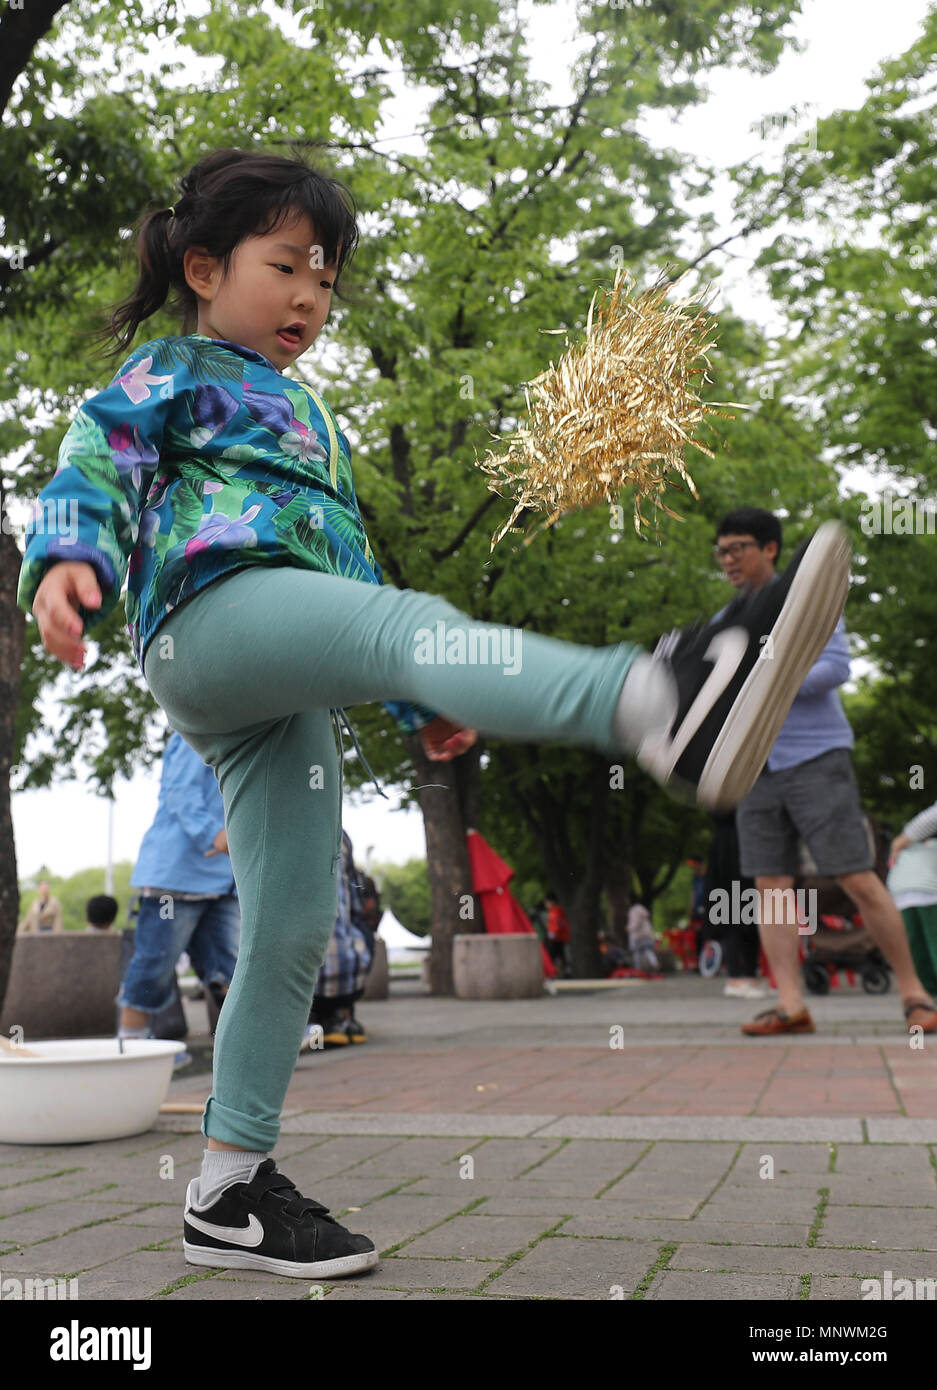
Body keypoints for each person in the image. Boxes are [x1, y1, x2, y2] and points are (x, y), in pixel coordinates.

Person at [17, 148, 850, 1281]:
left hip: (284, 674)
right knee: (405, 618)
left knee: (293, 923)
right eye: (287, 267)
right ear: (205, 268)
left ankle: (225, 1188)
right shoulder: (174, 369)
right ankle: (655, 698)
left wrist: (424, 697)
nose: (311, 295)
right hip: (208, 622)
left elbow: (352, 571)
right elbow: (95, 450)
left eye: (328, 277)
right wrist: (66, 555)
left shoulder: (312, 414)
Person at [711, 507, 937, 1037]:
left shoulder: (809, 601)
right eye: (720, 551)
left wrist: (766, 675)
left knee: (856, 875)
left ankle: (915, 995)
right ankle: (791, 1005)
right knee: (769, 883)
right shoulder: (728, 620)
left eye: (737, 547)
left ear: (770, 548)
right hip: (754, 763)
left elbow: (837, 667)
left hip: (817, 758)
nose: (727, 560)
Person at [118, 730, 241, 1066]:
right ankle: (132, 1045)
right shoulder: (194, 732)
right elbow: (181, 793)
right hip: (177, 874)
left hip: (223, 876)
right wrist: (213, 833)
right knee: (155, 960)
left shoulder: (241, 734)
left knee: (233, 963)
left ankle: (259, 1042)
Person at [300, 830, 373, 1049]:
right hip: (346, 964)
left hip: (314, 964)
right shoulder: (340, 835)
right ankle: (339, 1016)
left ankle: (325, 1019)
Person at [888, 803, 937, 999]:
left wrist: (901, 840)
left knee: (916, 947)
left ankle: (927, 992)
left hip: (901, 889)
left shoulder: (913, 849)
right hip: (927, 888)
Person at [626, 894, 659, 973]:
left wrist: (629, 928)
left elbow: (636, 922)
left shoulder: (634, 910)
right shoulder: (642, 909)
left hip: (639, 936)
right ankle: (654, 963)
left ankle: (638, 970)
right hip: (647, 934)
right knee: (648, 951)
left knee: (637, 953)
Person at [544, 891, 571, 974]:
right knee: (560, 957)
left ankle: (552, 973)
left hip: (556, 939)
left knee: (551, 957)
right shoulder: (554, 911)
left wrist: (550, 937)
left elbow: (556, 927)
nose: (546, 904)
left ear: (552, 901)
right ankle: (563, 971)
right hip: (558, 938)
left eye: (547, 902)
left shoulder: (556, 911)